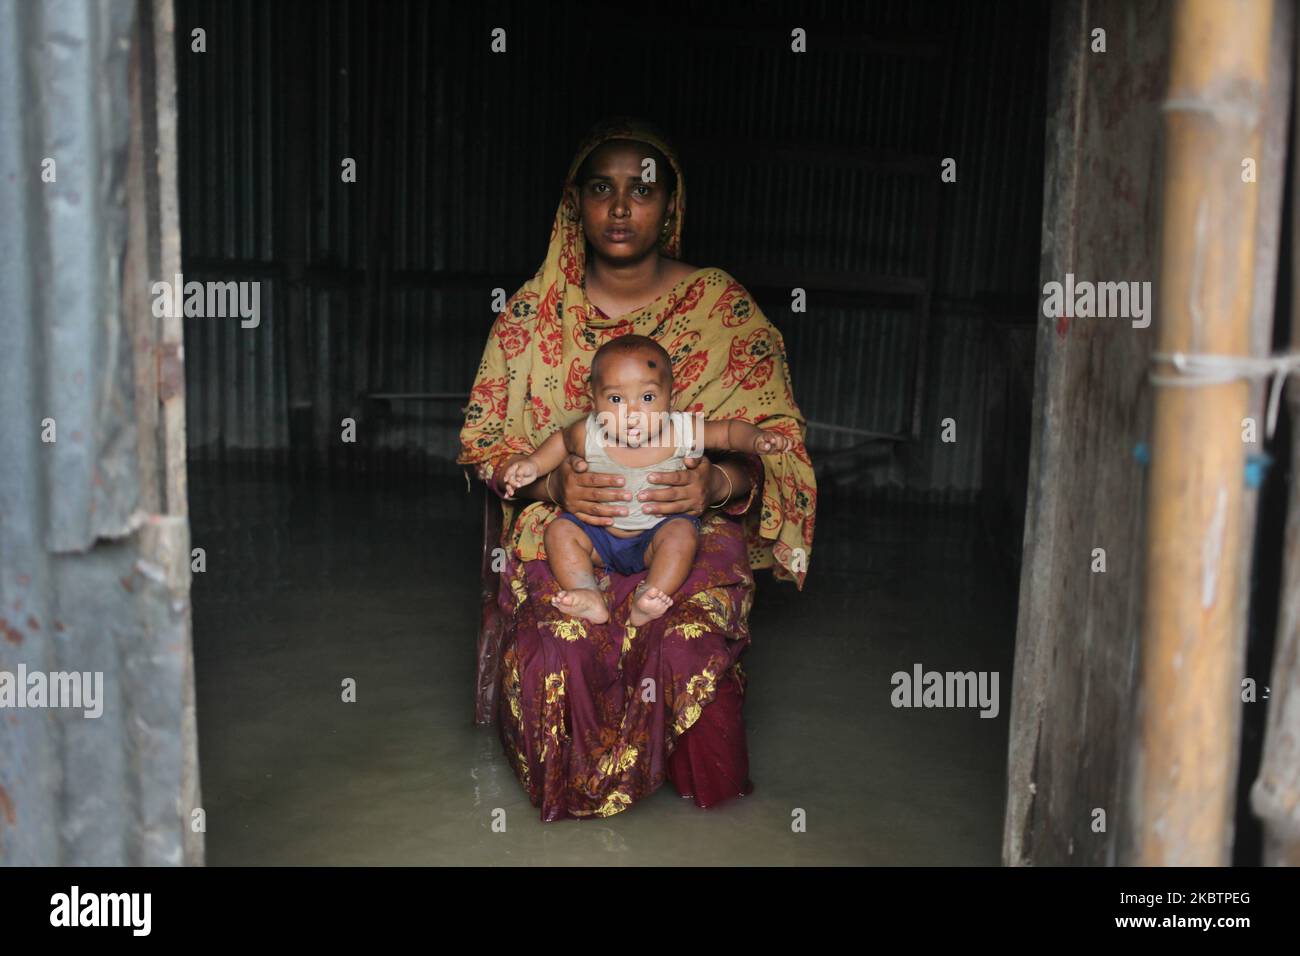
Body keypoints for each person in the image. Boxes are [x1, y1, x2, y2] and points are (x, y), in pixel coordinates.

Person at [458, 116, 817, 821]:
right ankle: (567, 807)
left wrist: (718, 483)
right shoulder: (531, 317)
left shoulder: (722, 310)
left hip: (685, 526)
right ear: (576, 203)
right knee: (557, 646)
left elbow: (773, 448)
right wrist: (551, 483)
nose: (621, 208)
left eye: (642, 190)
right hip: (569, 531)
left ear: (670, 203)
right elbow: (487, 449)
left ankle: (710, 816)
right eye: (602, 188)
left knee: (686, 641)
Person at [498, 334, 794, 627]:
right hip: (598, 536)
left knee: (682, 535)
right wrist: (533, 465)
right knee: (560, 532)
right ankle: (587, 592)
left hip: (657, 534)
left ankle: (649, 595)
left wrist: (756, 439)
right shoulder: (587, 433)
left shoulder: (681, 430)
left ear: (671, 399)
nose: (632, 413)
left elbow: (728, 432)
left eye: (648, 398)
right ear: (594, 401)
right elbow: (560, 443)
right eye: (615, 399)